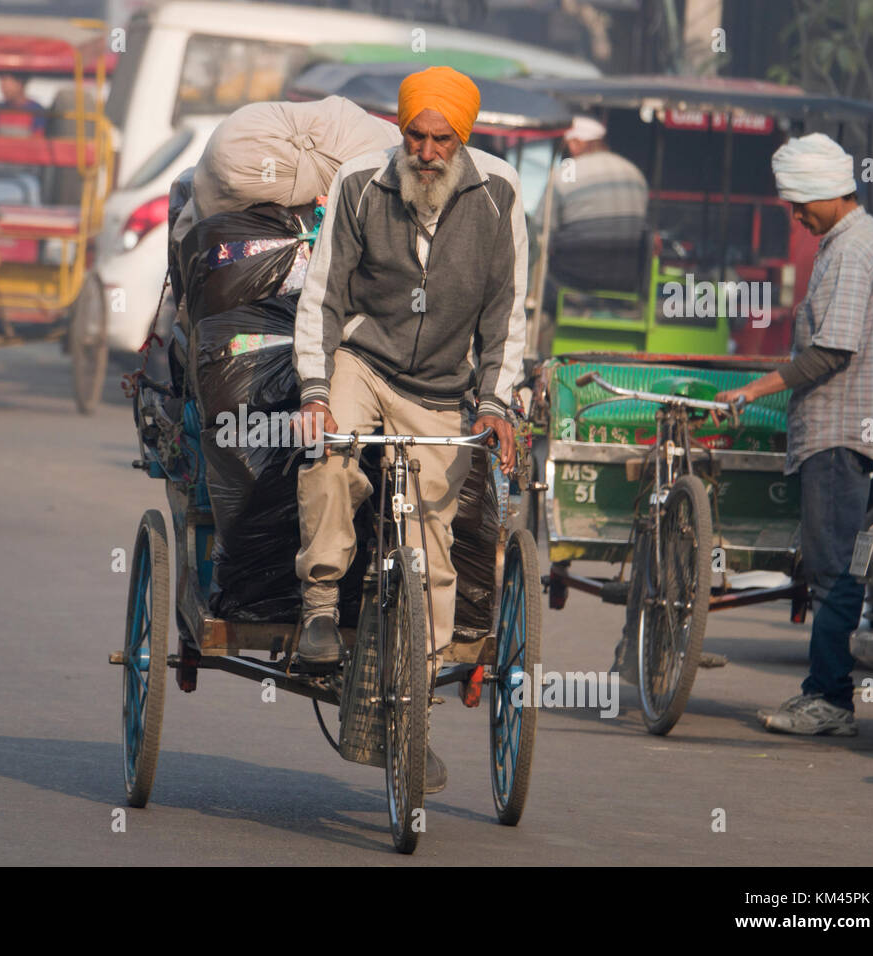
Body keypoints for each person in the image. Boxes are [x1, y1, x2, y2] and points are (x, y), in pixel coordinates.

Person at [294, 66, 527, 792]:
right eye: (416, 137)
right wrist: (314, 389)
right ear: (400, 133)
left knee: (436, 540)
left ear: (464, 139)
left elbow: (508, 312)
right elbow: (324, 291)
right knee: (325, 455)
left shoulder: (499, 194)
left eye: (441, 139)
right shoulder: (361, 182)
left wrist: (496, 401)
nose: (426, 151)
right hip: (364, 362)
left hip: (444, 388)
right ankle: (323, 606)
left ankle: (412, 706)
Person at [712, 132, 873, 736]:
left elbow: (831, 352)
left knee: (832, 573)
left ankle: (828, 699)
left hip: (838, 430)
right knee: (839, 569)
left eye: (798, 202)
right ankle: (828, 694)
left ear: (828, 193)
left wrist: (754, 390)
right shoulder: (869, 243)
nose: (794, 214)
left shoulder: (852, 252)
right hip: (860, 430)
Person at [546, 115, 649, 295]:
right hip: (626, 282)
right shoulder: (635, 174)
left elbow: (543, 231)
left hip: (574, 279)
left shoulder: (566, 172)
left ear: (577, 142)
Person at [0, 71, 47, 137]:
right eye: (2, 84)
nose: (2, 89)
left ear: (20, 84)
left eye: (6, 85)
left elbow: (38, 142)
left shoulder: (37, 110)